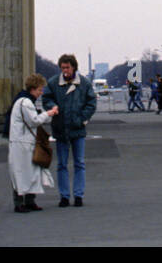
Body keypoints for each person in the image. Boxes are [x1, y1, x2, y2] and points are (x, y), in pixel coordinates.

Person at [43, 54, 98, 205]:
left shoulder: (84, 84)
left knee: (79, 163)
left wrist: (82, 119)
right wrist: (52, 107)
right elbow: (46, 99)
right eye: (62, 68)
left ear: (74, 67)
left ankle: (78, 195)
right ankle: (64, 196)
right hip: (60, 129)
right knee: (61, 164)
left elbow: (91, 102)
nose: (65, 70)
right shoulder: (53, 82)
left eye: (67, 67)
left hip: (77, 129)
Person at [8, 73, 59, 213]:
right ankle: (23, 202)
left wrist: (46, 114)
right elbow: (34, 121)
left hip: (21, 142)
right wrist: (49, 113)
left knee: (23, 172)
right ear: (33, 88)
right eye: (39, 89)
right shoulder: (26, 102)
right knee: (26, 172)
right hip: (22, 143)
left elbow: (33, 119)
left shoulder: (22, 100)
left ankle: (25, 201)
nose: (41, 92)